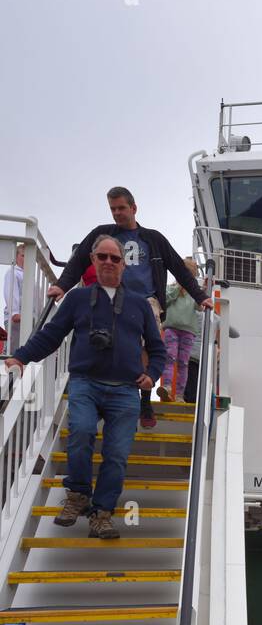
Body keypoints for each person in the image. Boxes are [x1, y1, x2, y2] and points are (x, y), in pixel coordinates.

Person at [5, 235, 166, 539]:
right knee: (80, 432)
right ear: (92, 260)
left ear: (123, 264)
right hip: (85, 383)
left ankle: (102, 513)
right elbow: (51, 335)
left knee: (117, 454)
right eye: (102, 257)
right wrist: (21, 357)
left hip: (125, 389)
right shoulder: (78, 299)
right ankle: (78, 495)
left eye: (115, 258)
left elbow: (157, 348)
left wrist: (152, 374)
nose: (108, 262)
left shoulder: (140, 305)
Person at [48, 187, 212, 428]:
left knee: (147, 345)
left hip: (146, 300)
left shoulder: (153, 239)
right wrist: (62, 286)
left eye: (121, 208)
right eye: (112, 209)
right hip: (111, 298)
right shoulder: (102, 235)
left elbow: (178, 267)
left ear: (134, 208)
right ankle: (98, 394)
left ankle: (144, 399)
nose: (117, 213)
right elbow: (80, 259)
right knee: (103, 341)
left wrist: (200, 297)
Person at [157, 258, 202, 402]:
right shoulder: (171, 287)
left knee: (183, 363)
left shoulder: (194, 292)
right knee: (170, 358)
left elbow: (199, 306)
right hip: (172, 328)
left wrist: (203, 291)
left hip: (188, 330)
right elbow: (165, 299)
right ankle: (167, 387)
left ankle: (179, 395)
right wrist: (178, 287)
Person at [2, 243, 24, 350]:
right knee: (12, 351)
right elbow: (10, 292)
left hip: (27, 318)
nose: (25, 259)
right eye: (23, 256)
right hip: (15, 319)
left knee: (23, 350)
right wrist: (14, 312)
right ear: (16, 257)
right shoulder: (13, 272)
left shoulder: (31, 275)